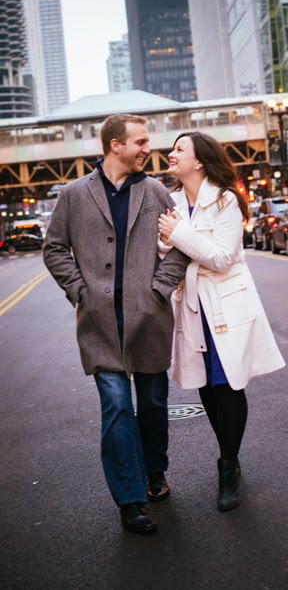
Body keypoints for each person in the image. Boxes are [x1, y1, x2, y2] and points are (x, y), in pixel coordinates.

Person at [43, 114, 189, 534]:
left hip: (149, 318)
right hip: (99, 323)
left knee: (154, 406)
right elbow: (54, 250)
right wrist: (80, 291)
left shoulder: (158, 192)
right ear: (114, 145)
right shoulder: (73, 195)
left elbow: (181, 242)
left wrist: (160, 288)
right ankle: (130, 500)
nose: (148, 148)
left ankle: (154, 471)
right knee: (117, 407)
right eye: (140, 141)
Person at [158, 131, 285, 511]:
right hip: (191, 303)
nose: (170, 154)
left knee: (228, 382)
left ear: (199, 161)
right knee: (204, 385)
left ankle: (227, 467)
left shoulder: (226, 200)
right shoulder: (171, 201)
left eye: (179, 149)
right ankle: (229, 454)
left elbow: (221, 258)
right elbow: (161, 249)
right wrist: (181, 240)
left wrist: (179, 235)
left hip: (227, 304)